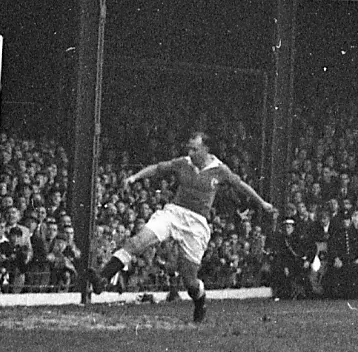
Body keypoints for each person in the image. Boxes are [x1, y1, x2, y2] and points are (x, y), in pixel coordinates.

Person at [86, 131, 275, 323]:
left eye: (195, 149)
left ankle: (200, 301)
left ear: (206, 149)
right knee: (137, 241)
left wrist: (262, 203)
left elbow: (241, 186)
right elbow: (157, 168)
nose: (191, 152)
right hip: (173, 213)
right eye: (190, 148)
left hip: (196, 224)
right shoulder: (183, 163)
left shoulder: (220, 170)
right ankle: (103, 278)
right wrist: (135, 177)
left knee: (189, 280)